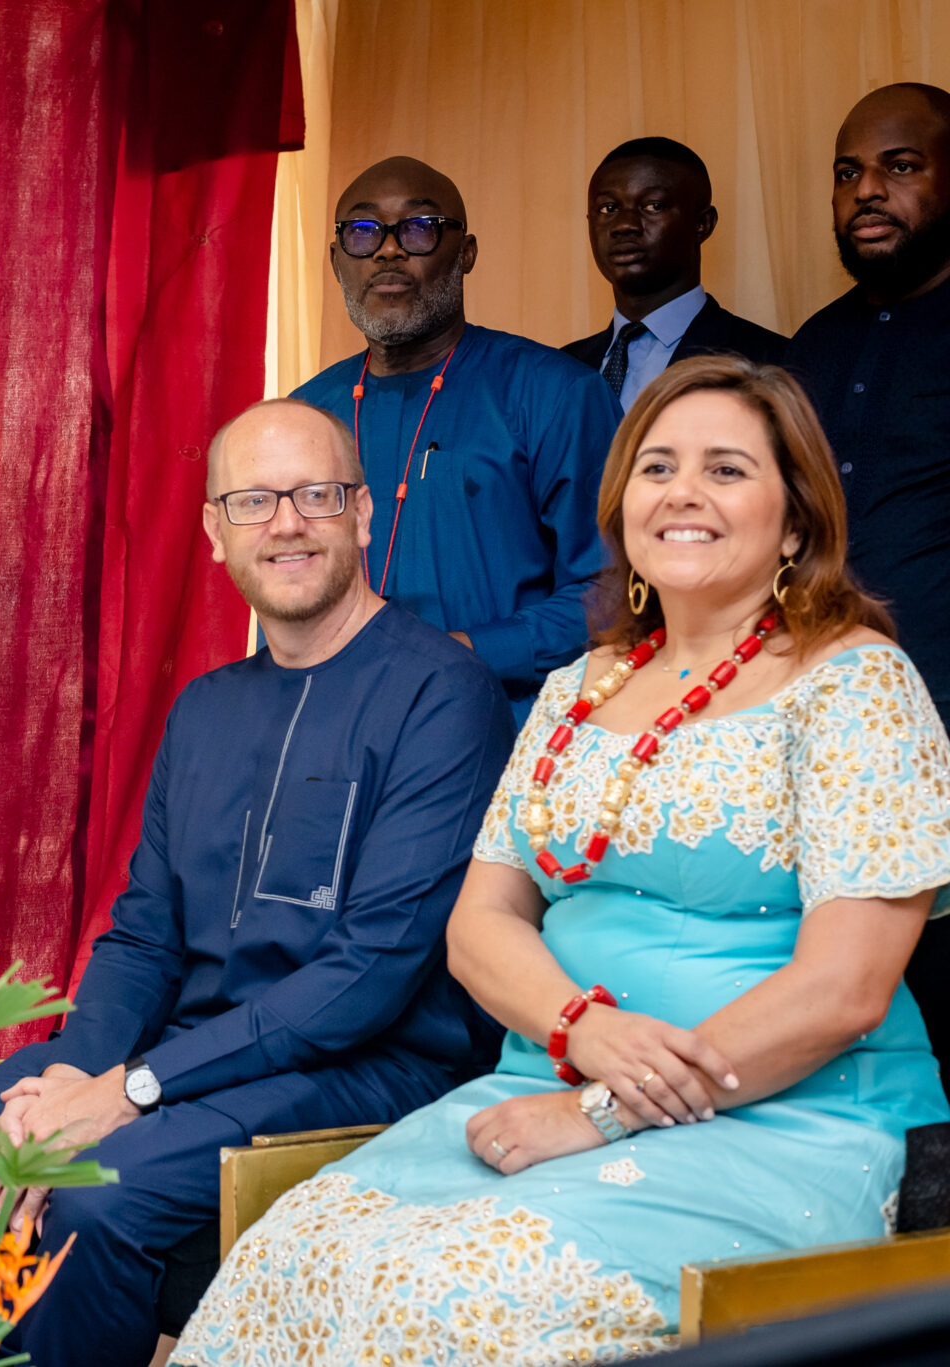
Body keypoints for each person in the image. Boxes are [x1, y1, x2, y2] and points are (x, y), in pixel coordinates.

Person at [173, 356, 950, 1367]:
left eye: (724, 469)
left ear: (794, 518)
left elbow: (844, 988)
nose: (680, 492)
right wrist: (583, 1032)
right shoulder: (575, 685)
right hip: (535, 1087)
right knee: (286, 1257)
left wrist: (603, 1104)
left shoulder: (854, 682)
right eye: (656, 467)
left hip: (781, 1118)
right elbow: (479, 923)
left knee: (453, 1295)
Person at [0, 399, 514, 1367]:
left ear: (363, 513)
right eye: (253, 500)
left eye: (315, 495)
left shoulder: (441, 694)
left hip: (364, 1066)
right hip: (186, 1057)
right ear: (214, 531)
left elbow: (367, 976)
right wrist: (73, 1076)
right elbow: (143, 935)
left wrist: (128, 1090)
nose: (286, 522)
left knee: (90, 1194)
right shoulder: (206, 706)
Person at [295, 156, 621, 722]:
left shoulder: (555, 394)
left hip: (502, 735)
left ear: (466, 253)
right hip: (333, 726)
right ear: (336, 259)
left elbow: (612, 592)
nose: (388, 250)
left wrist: (459, 655)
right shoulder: (305, 414)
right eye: (363, 231)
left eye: (419, 228)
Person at [786, 82, 950, 1057]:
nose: (864, 191)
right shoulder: (812, 345)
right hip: (819, 739)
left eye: (899, 165)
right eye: (847, 171)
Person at [564, 137, 788, 409]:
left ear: (703, 224)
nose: (624, 225)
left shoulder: (774, 361)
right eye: (608, 209)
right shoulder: (559, 368)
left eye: (653, 206)